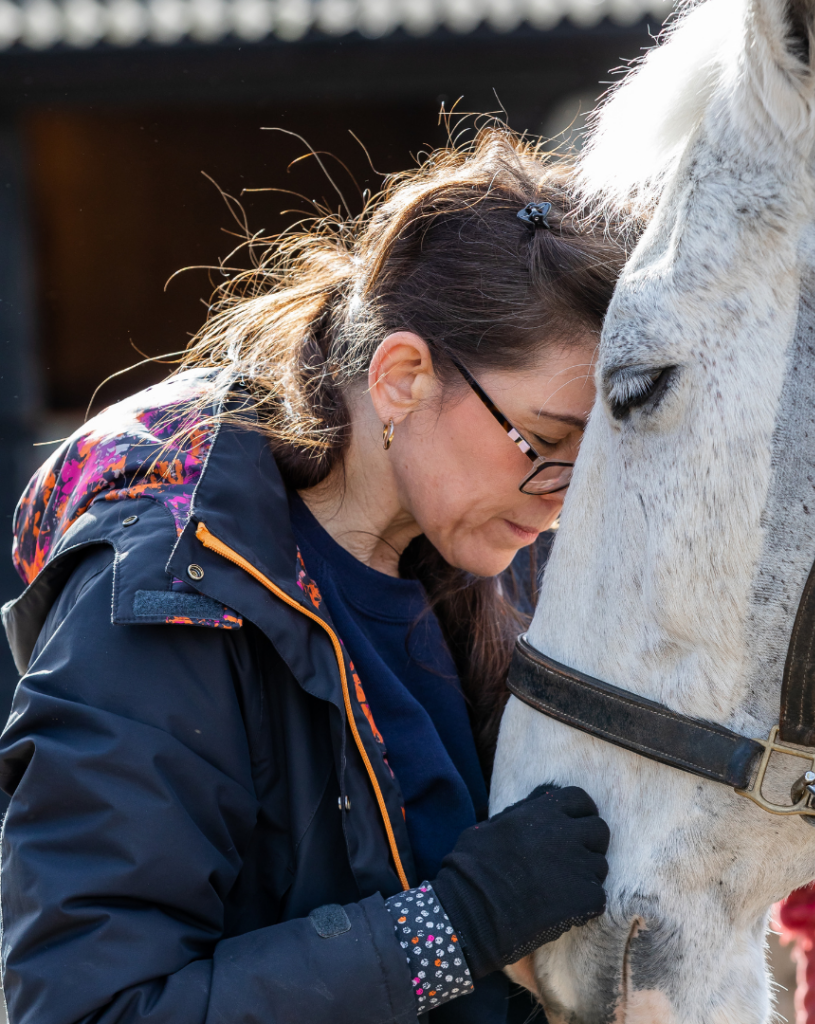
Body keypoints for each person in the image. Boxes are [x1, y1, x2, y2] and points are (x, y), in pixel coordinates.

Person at [0, 129, 633, 1024]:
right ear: (403, 378)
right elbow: (88, 1008)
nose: (563, 496)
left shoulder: (480, 567)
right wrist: (451, 932)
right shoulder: (169, 599)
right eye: (547, 442)